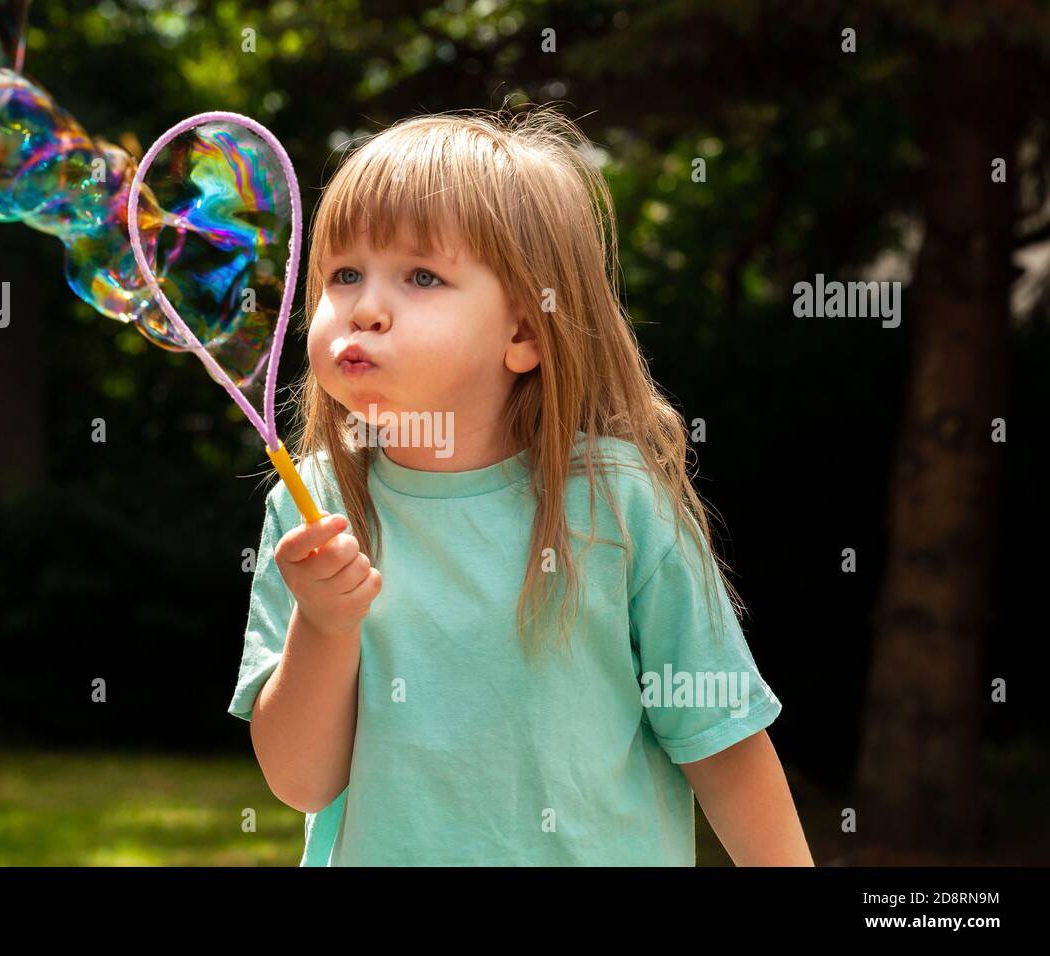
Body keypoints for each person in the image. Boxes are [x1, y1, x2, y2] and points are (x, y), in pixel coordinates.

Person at [227, 105, 813, 866]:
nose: (364, 307)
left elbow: (720, 739)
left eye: (422, 275)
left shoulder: (615, 500)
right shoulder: (313, 503)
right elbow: (301, 782)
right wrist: (325, 624)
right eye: (343, 274)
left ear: (525, 333)